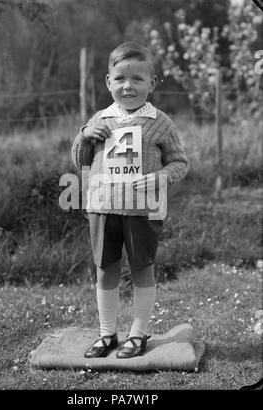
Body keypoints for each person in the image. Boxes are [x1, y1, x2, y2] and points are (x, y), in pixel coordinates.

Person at [71, 42, 189, 359]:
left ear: (152, 83)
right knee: (105, 269)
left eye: (138, 79)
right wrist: (84, 135)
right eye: (121, 79)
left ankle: (137, 334)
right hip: (101, 207)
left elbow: (180, 163)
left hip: (143, 209)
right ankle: (107, 334)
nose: (128, 86)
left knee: (142, 268)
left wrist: (162, 177)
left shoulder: (160, 122)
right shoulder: (100, 119)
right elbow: (79, 160)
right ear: (109, 82)